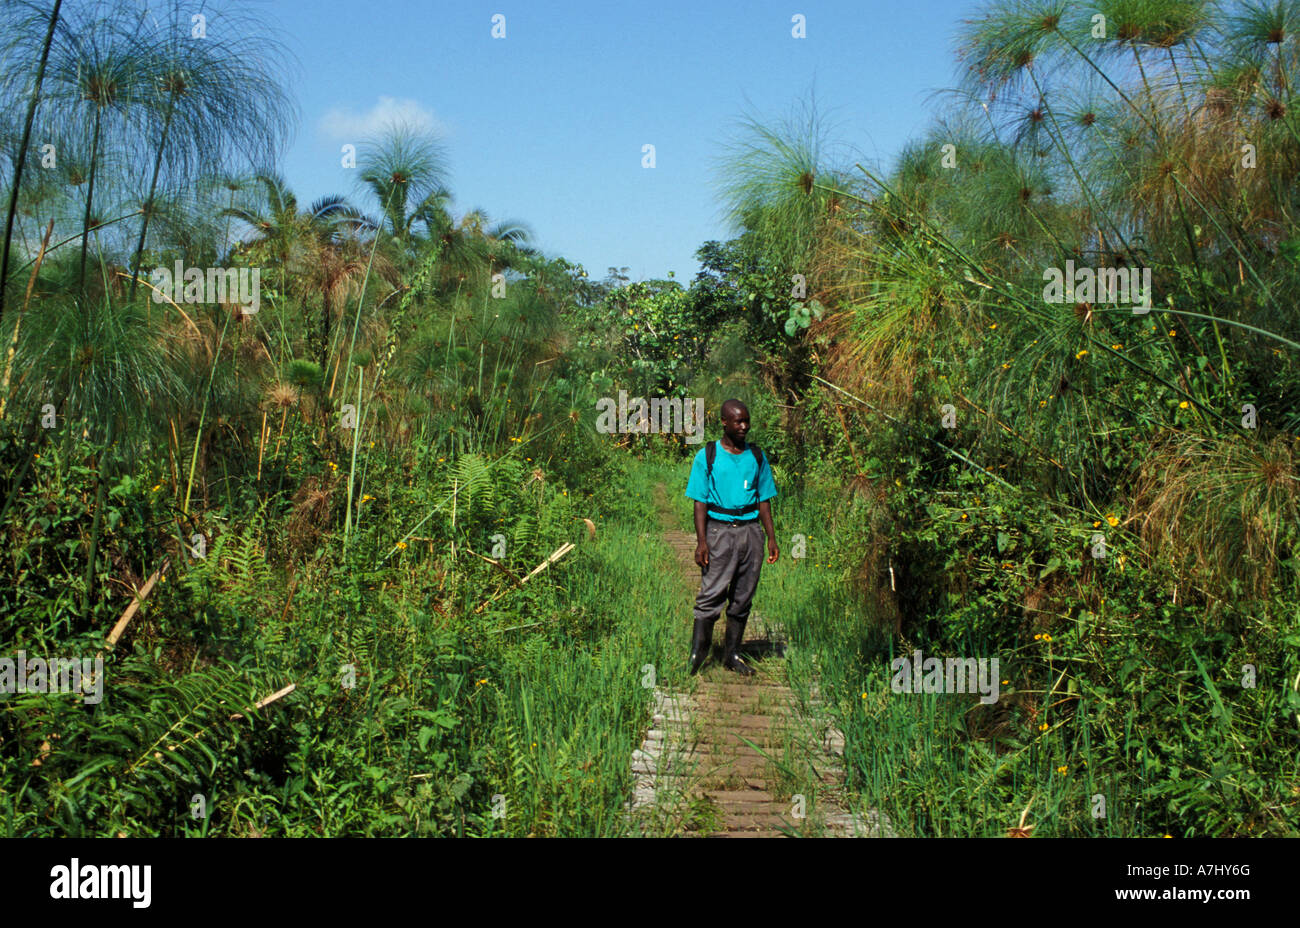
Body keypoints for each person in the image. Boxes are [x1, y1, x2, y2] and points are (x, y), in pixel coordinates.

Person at [683, 399, 778, 675]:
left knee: (743, 596)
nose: (744, 426)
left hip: (751, 533)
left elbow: (764, 501)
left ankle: (732, 654)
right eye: (738, 421)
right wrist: (702, 542)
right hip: (719, 531)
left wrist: (771, 538)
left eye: (747, 421)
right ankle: (697, 655)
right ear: (724, 422)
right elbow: (699, 501)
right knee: (711, 594)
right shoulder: (708, 455)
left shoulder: (756, 456)